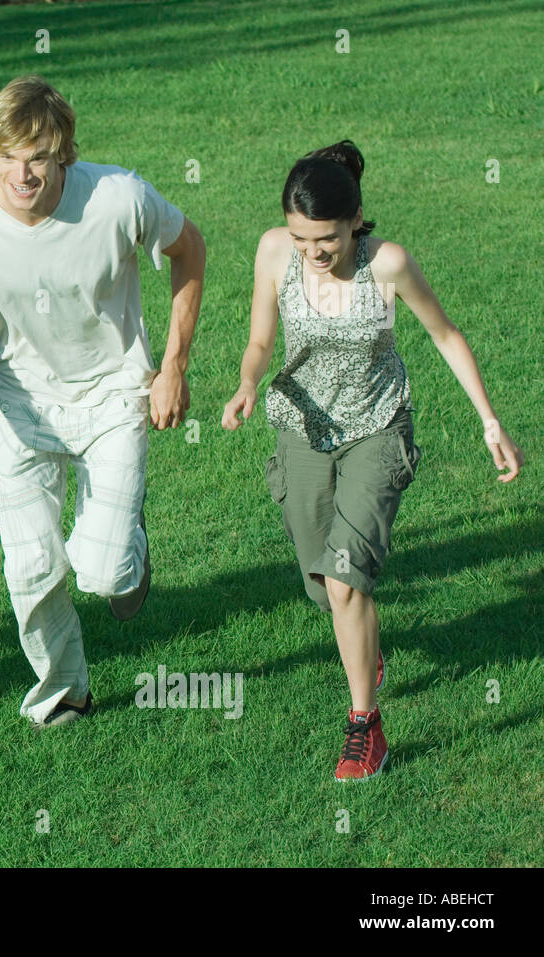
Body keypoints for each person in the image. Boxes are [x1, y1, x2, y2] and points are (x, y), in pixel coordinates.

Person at [0, 76, 206, 729]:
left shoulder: (118, 196)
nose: (23, 172)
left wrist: (173, 365)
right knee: (30, 568)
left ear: (61, 150)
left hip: (116, 391)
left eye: (37, 155)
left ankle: (130, 547)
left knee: (102, 573)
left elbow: (190, 250)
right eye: (9, 155)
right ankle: (66, 689)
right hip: (21, 401)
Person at [221, 140, 523, 780]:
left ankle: (366, 726)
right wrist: (249, 384)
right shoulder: (275, 250)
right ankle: (363, 641)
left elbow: (446, 334)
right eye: (303, 239)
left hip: (378, 429)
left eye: (325, 239)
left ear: (355, 219)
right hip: (301, 428)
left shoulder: (387, 266)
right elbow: (258, 338)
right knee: (323, 586)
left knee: (343, 577)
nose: (313, 253)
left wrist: (490, 422)